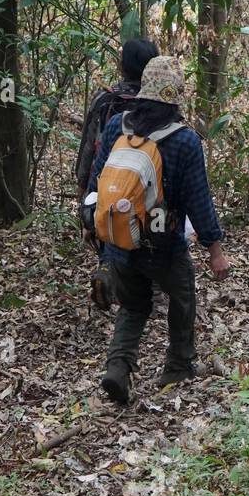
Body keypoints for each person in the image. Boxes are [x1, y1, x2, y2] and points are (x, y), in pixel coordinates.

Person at [89, 56, 230, 403]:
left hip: (121, 236)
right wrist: (215, 251)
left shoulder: (117, 126)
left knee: (134, 305)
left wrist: (94, 229)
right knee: (182, 296)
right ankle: (179, 362)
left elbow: (98, 180)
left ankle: (118, 368)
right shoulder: (184, 141)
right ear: (176, 93)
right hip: (163, 240)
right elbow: (198, 200)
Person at [77, 38, 159, 309]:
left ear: (123, 66)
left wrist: (84, 192)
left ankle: (108, 270)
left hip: (106, 182)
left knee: (109, 225)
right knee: (144, 229)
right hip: (146, 187)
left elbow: (88, 146)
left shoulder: (105, 99)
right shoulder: (159, 104)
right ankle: (146, 281)